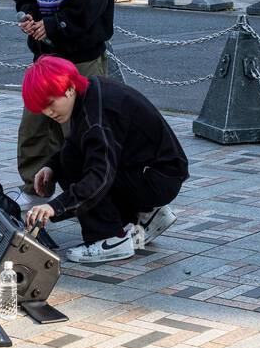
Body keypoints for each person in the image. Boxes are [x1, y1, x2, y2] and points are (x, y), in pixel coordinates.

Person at [22, 56, 187, 264]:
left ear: (69, 87)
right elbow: (76, 145)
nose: (48, 112)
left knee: (82, 171)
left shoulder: (98, 115)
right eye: (42, 108)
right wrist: (51, 167)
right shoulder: (89, 93)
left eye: (50, 103)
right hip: (152, 171)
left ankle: (109, 239)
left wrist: (55, 207)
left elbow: (99, 177)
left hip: (159, 178)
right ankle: (147, 214)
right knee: (68, 160)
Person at [12, 0, 115, 192]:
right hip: (46, 56)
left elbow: (95, 4)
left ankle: (86, 183)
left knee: (82, 125)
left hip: (82, 56)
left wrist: (55, 25)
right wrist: (31, 20)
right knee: (35, 121)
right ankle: (35, 182)